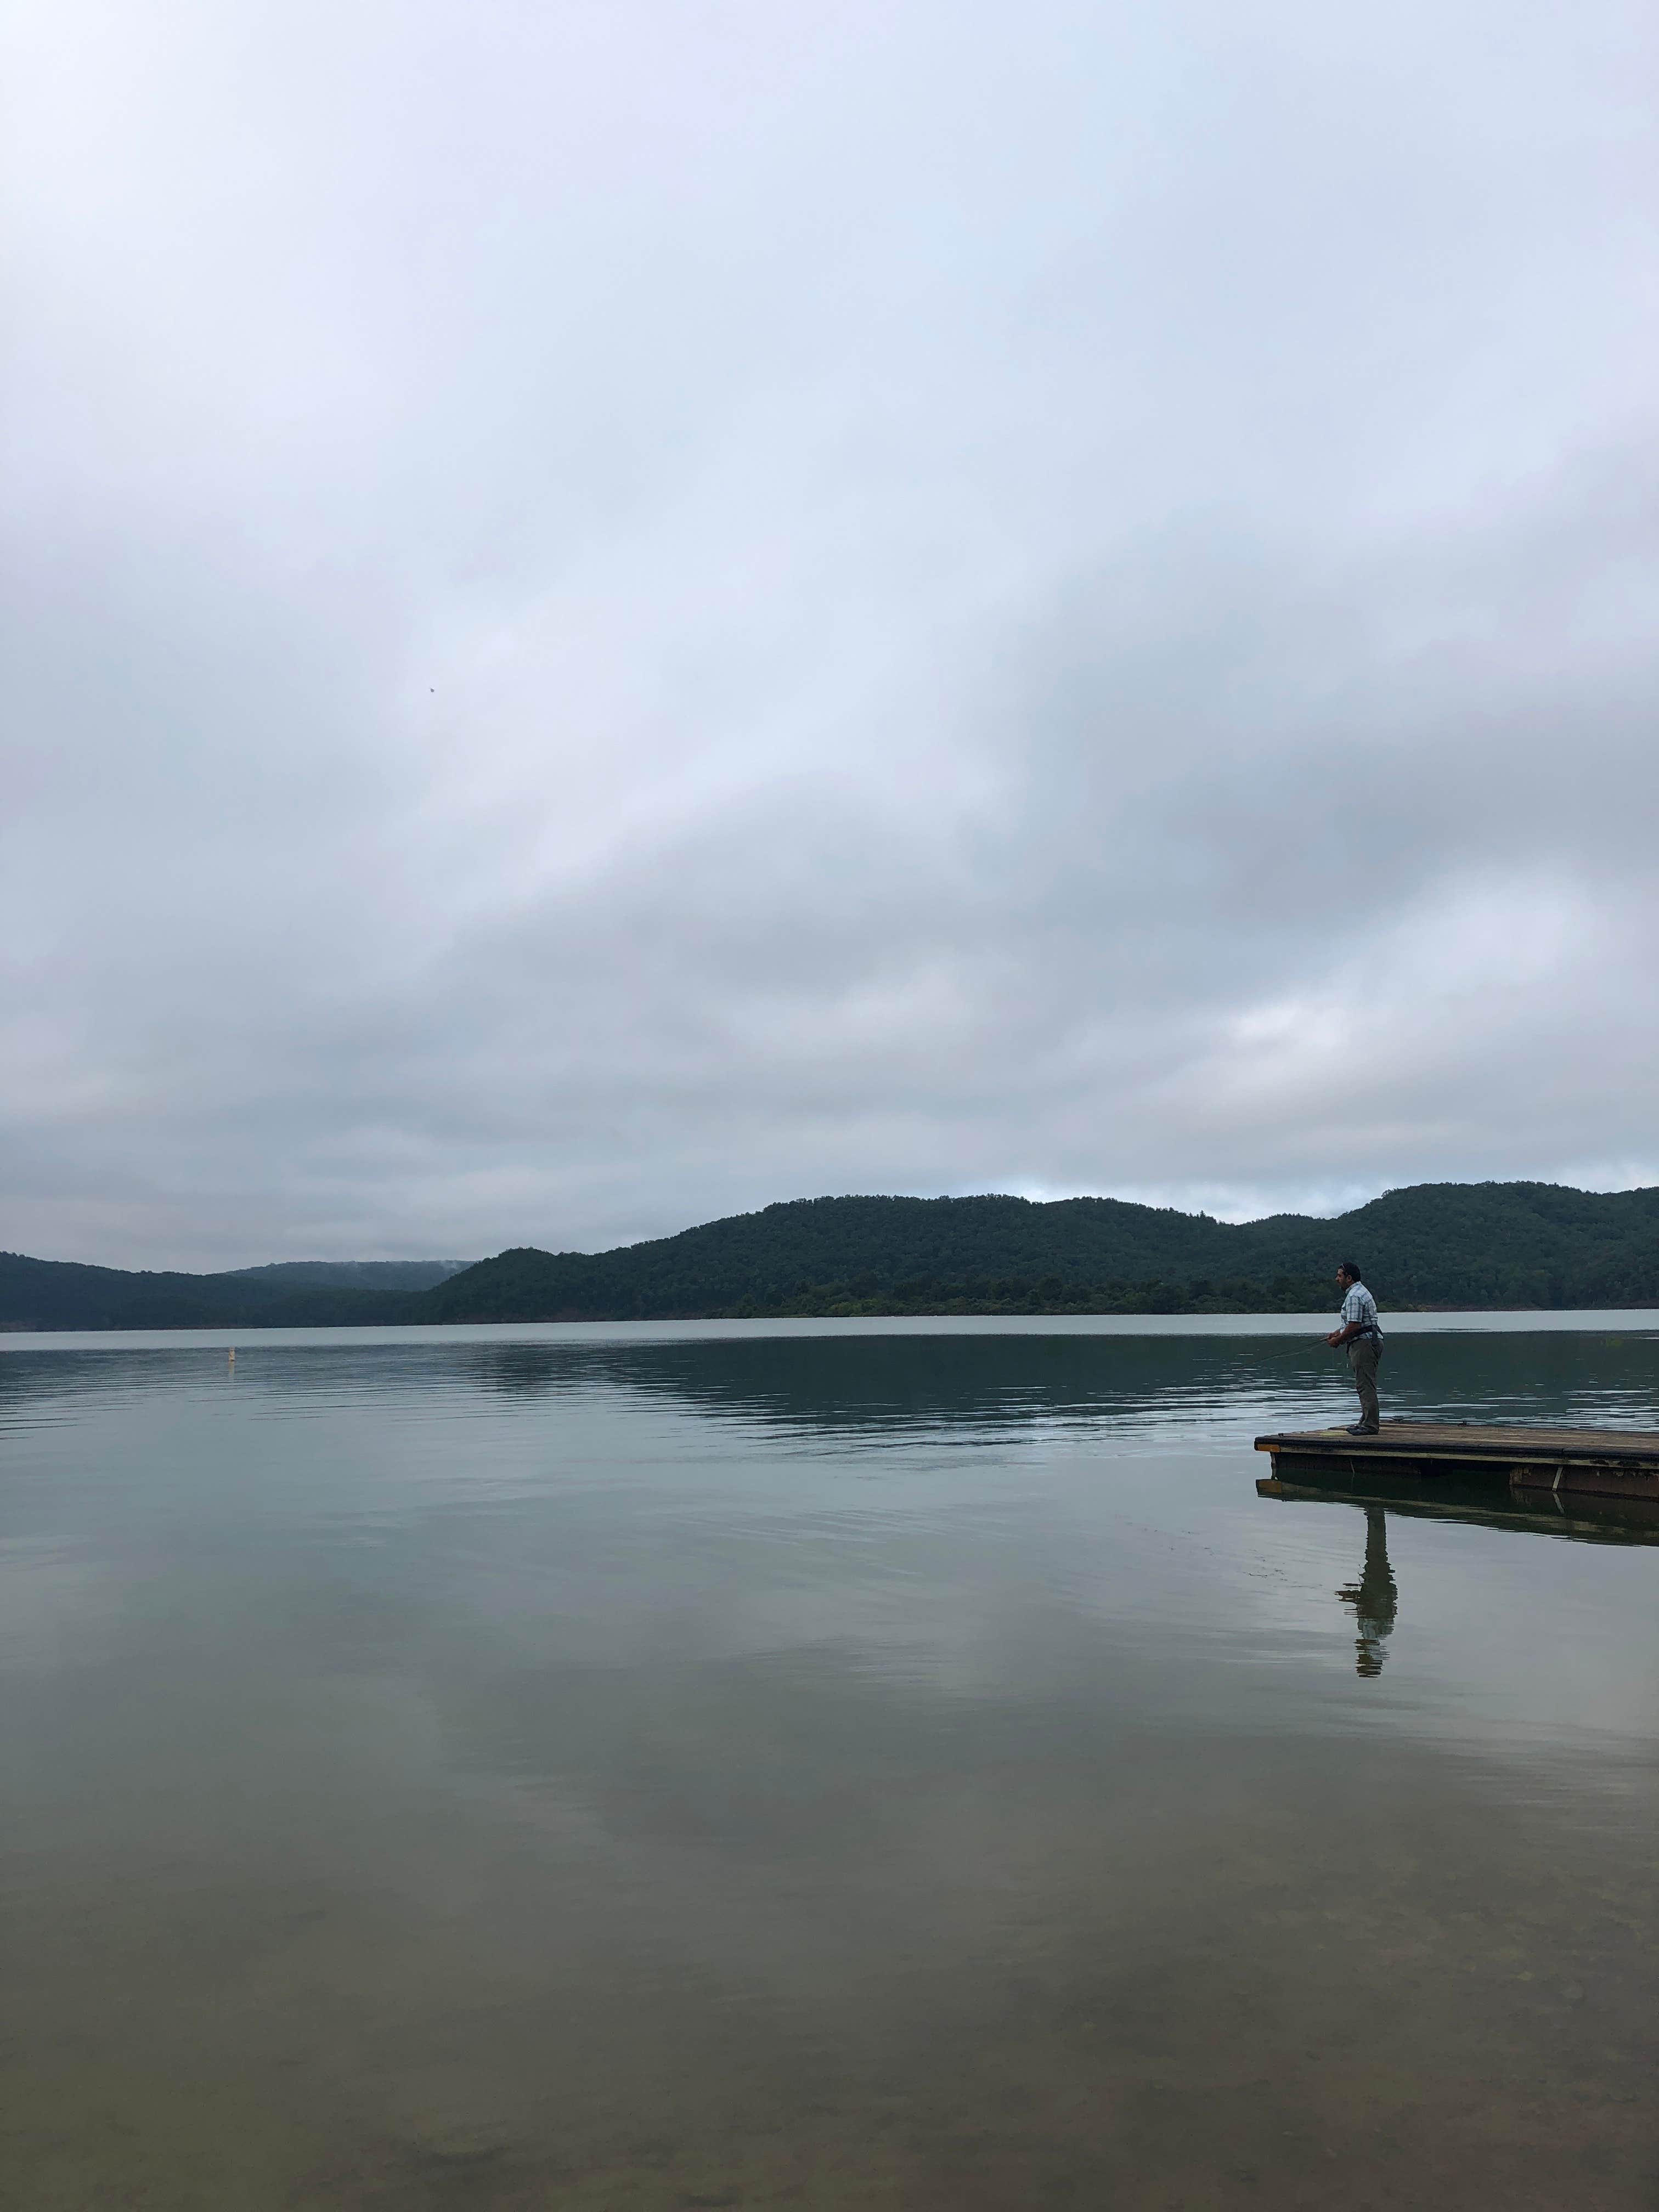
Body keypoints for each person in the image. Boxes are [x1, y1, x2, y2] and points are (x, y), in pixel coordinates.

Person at [1326, 1260, 1383, 1434]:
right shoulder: (1358, 1292)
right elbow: (1353, 1324)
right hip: (1368, 1341)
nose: (1337, 1279)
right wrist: (1338, 1333)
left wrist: (1338, 1340)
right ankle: (1365, 1421)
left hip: (1364, 1343)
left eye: (1340, 1276)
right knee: (1364, 1383)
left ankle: (1370, 1426)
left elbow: (1355, 1327)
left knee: (1365, 1385)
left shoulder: (1354, 1296)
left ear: (1349, 1278)